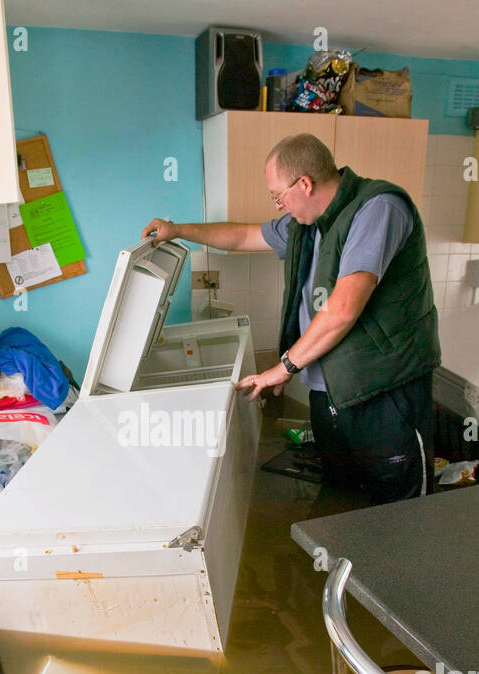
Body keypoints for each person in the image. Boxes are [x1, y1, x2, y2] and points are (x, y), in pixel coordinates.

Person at [141, 133, 440, 504]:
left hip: (384, 389)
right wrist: (180, 231)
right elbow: (243, 236)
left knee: (398, 503)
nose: (279, 206)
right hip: (329, 390)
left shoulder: (378, 208)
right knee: (343, 498)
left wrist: (284, 367)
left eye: (278, 196)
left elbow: (343, 307)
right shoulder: (308, 224)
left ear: (305, 183)